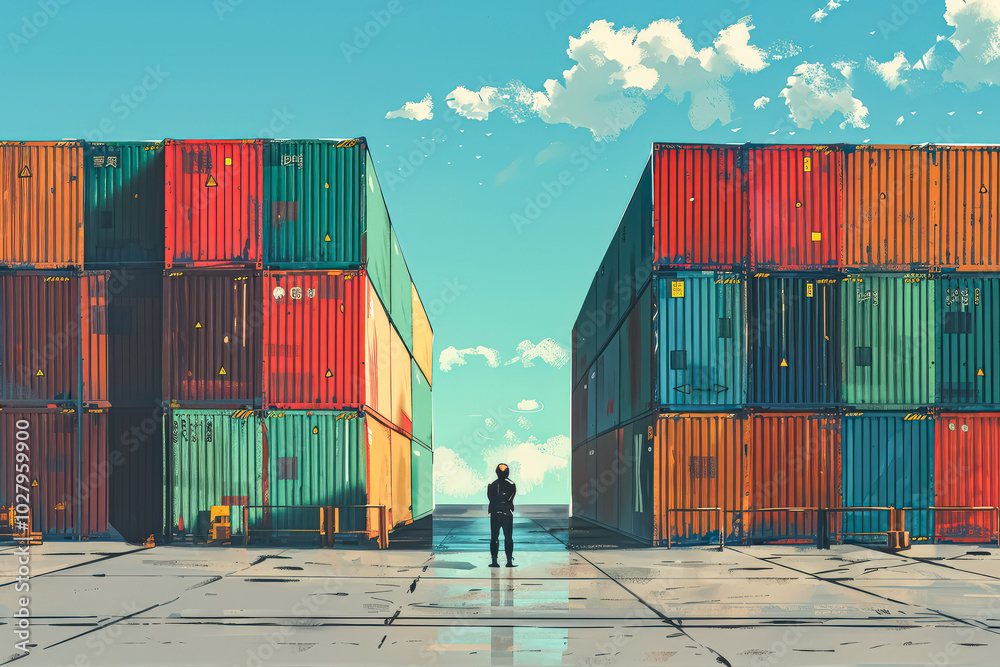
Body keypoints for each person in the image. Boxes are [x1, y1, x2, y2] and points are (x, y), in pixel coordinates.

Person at [487, 463, 517, 567]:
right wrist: (506, 504)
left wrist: (497, 505)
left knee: (494, 537)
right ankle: (509, 561)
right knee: (508, 537)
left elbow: (490, 497)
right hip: (507, 513)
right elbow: (511, 497)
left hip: (495, 512)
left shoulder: (492, 484)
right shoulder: (512, 484)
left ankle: (494, 561)